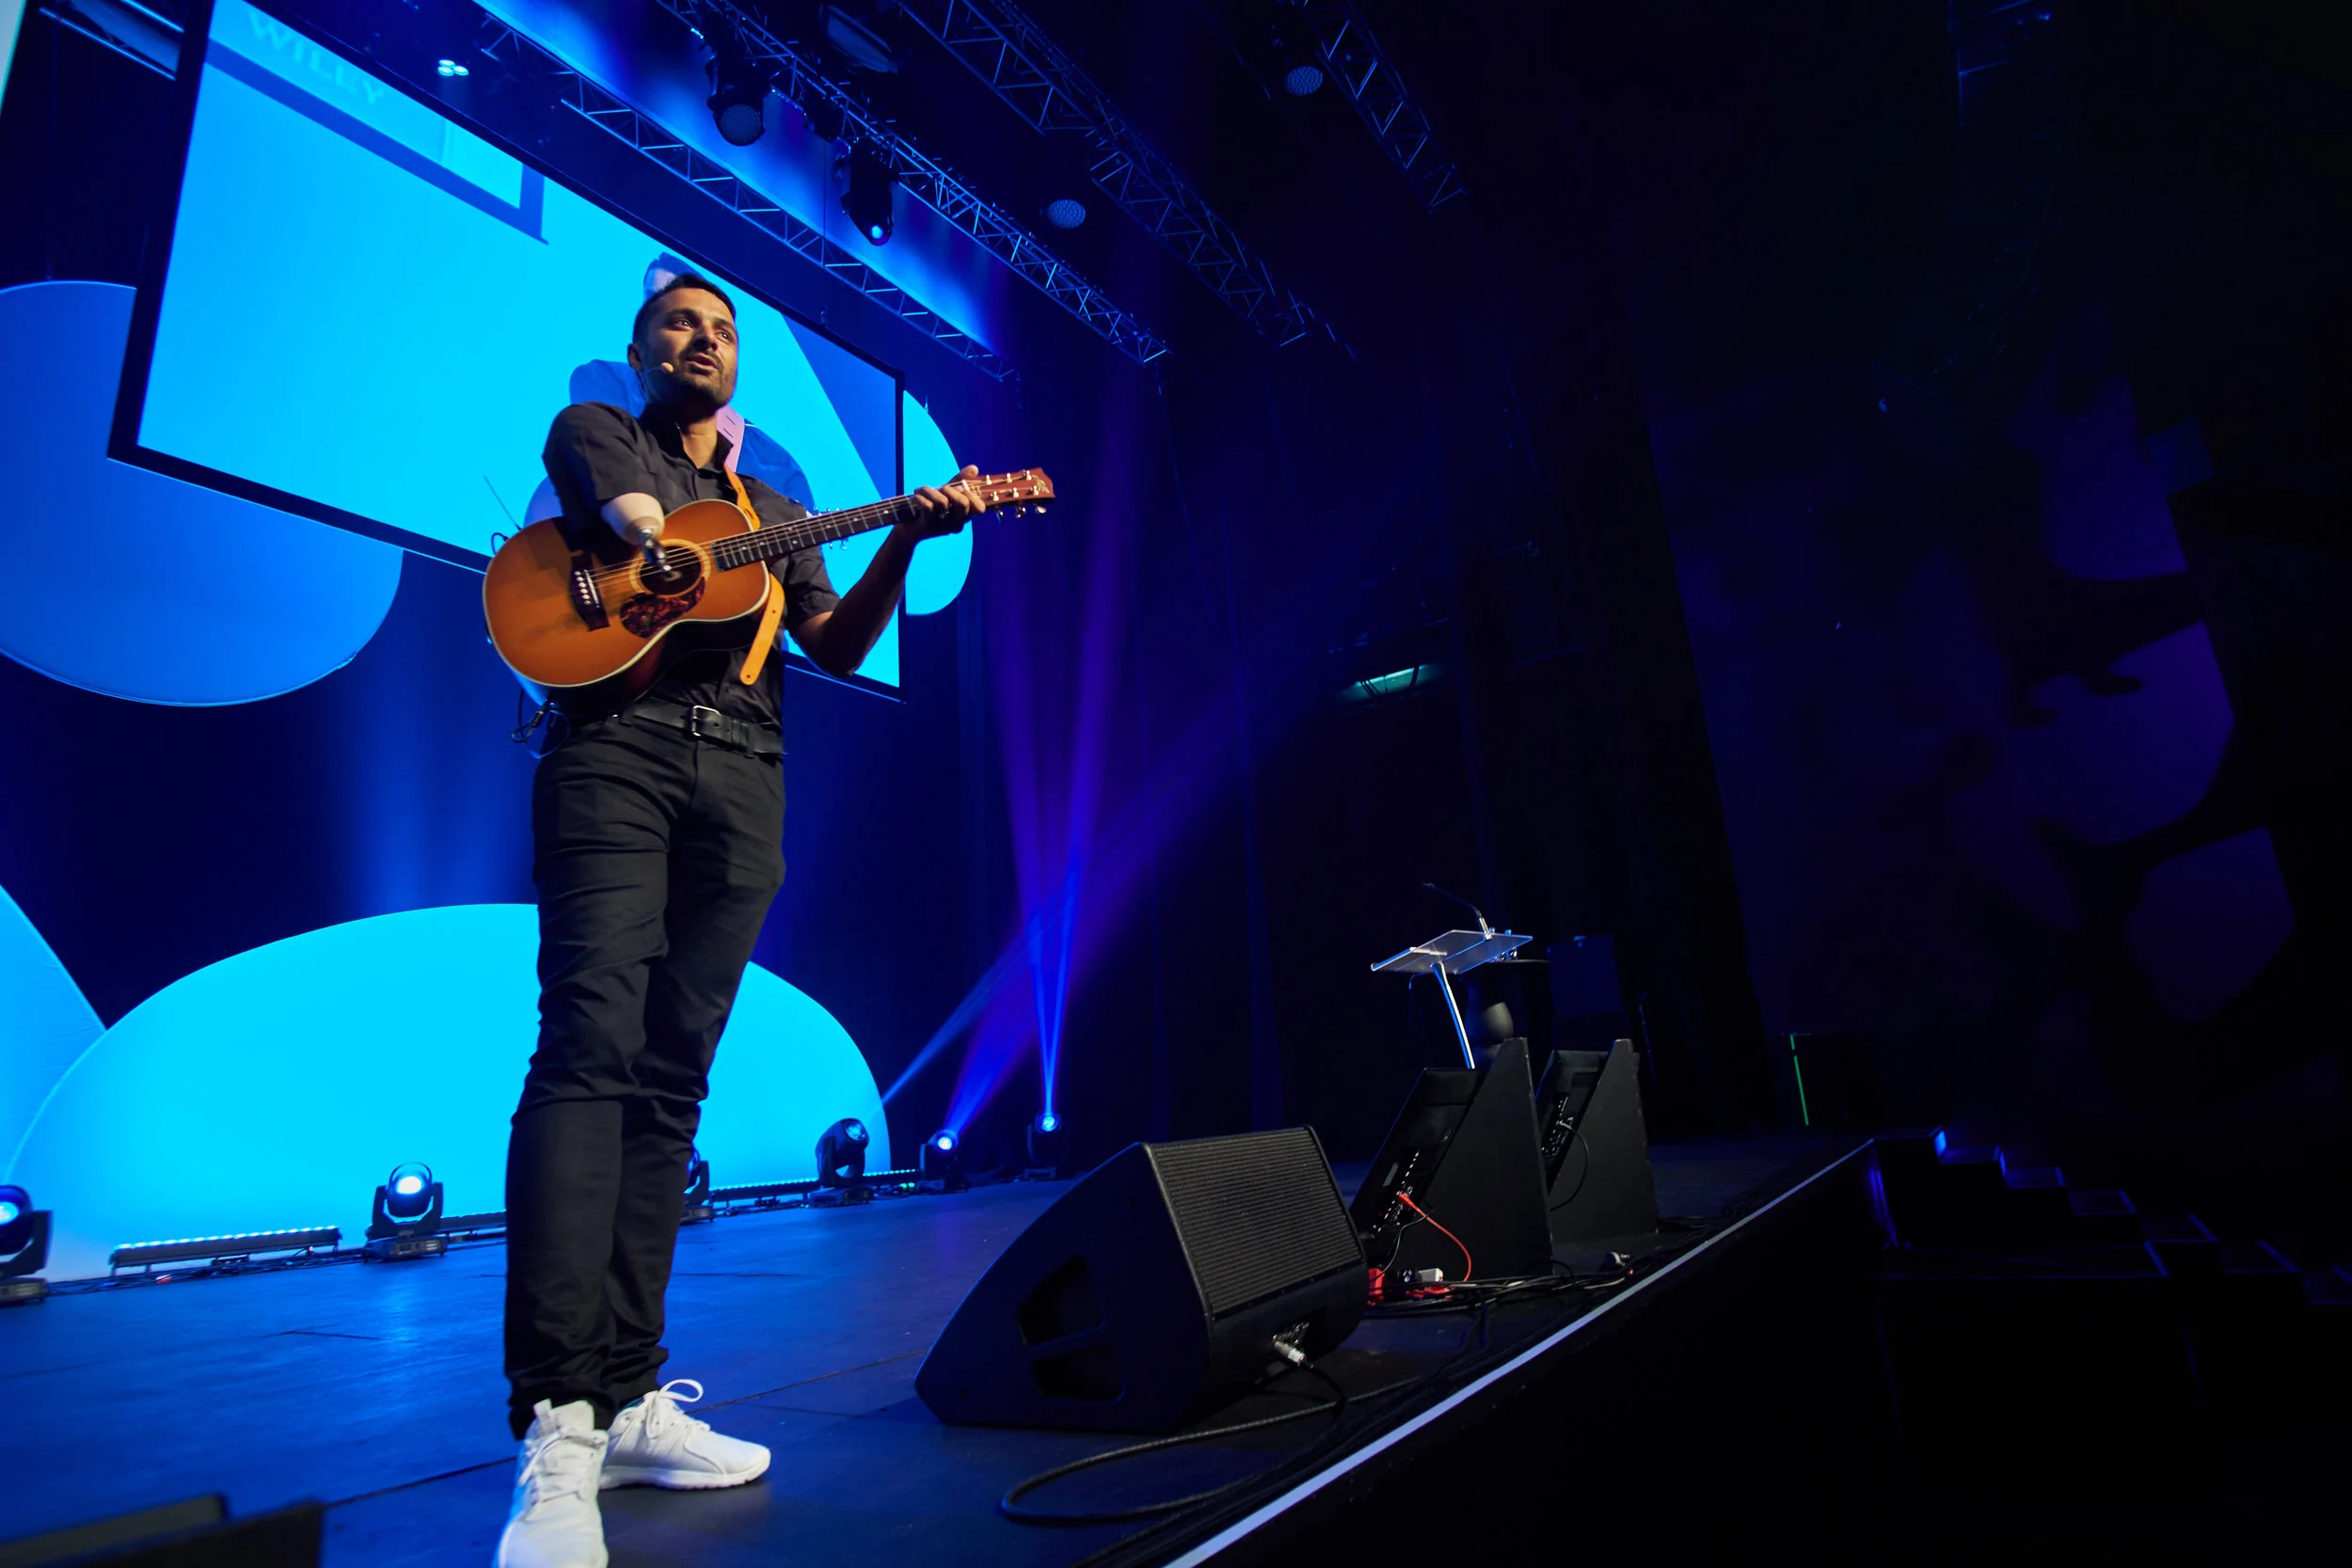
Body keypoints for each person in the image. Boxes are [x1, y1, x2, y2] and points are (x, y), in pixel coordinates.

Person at [496, 273, 984, 1568]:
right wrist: (657, 538)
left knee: (670, 1087)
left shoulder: (773, 516)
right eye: (680, 326)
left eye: (721, 332)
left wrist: (906, 538)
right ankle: (556, 1425)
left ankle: (632, 1393)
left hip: (745, 773)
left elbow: (831, 642)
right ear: (643, 347)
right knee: (589, 1048)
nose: (701, 342)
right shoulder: (605, 430)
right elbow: (621, 500)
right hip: (617, 749)